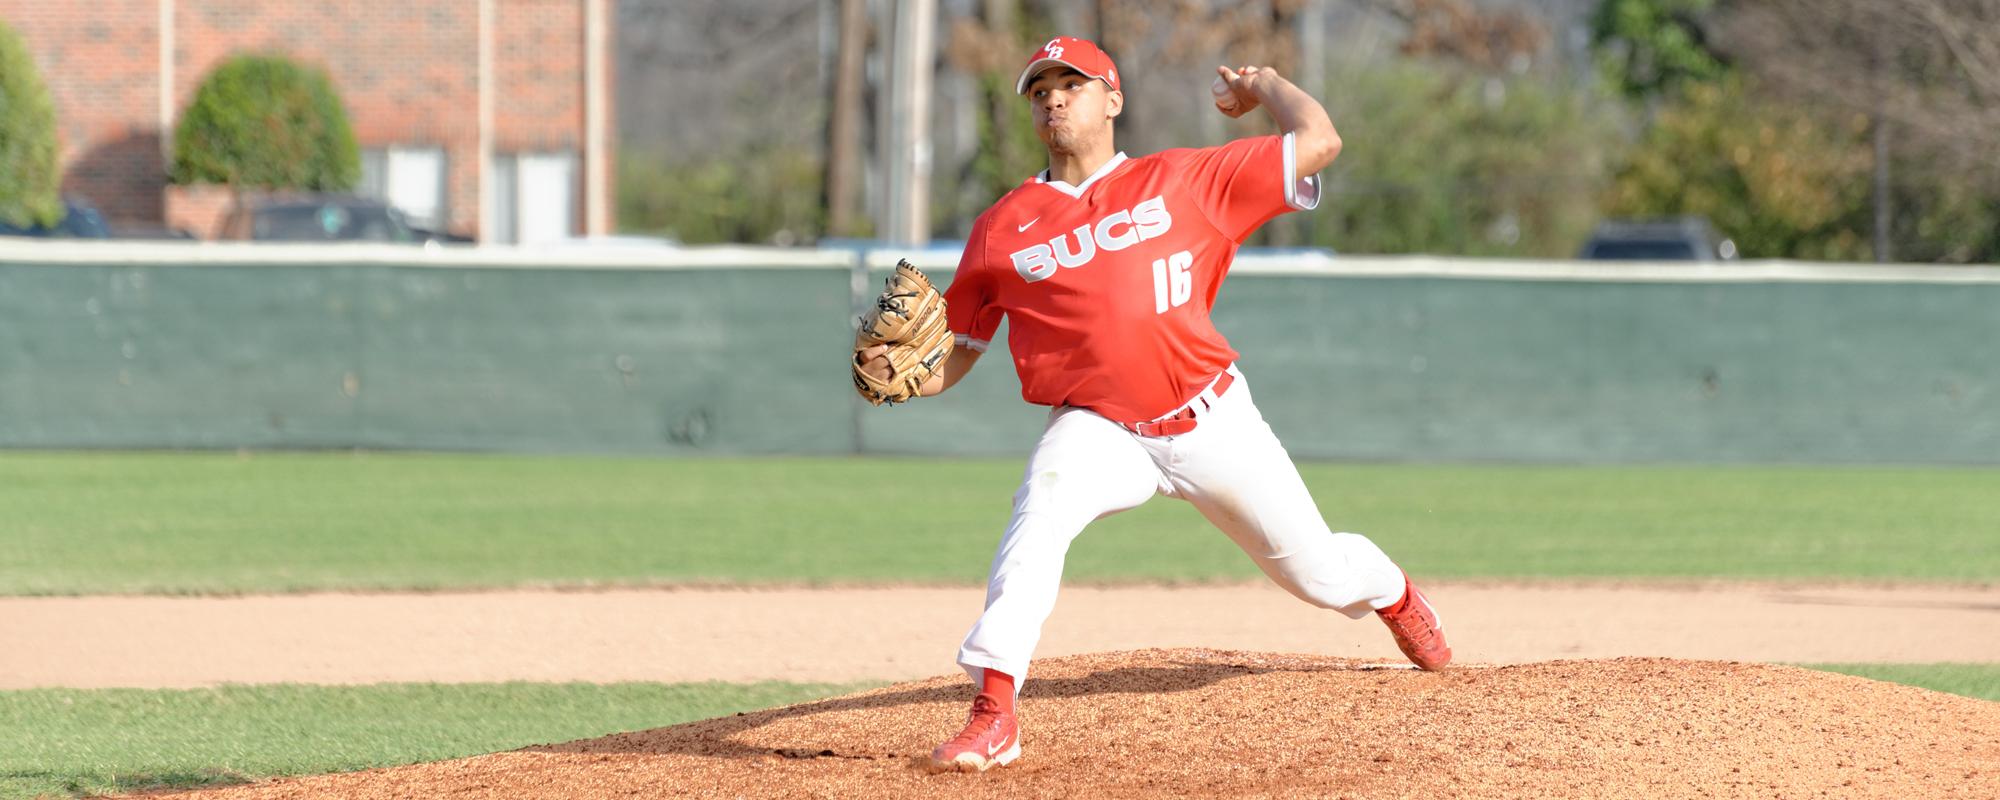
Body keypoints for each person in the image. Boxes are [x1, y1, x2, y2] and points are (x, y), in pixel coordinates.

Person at [856, 35, 1452, 774]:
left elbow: (1319, 139)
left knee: (1321, 575)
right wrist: (907, 374)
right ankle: (995, 709)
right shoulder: (1002, 228)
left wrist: (1263, 83)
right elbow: (960, 355)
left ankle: (1392, 593)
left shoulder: (1185, 179)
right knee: (1038, 511)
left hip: (1213, 417)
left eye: (1071, 83)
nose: (1053, 98)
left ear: (1113, 99)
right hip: (1098, 426)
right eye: (1040, 89)